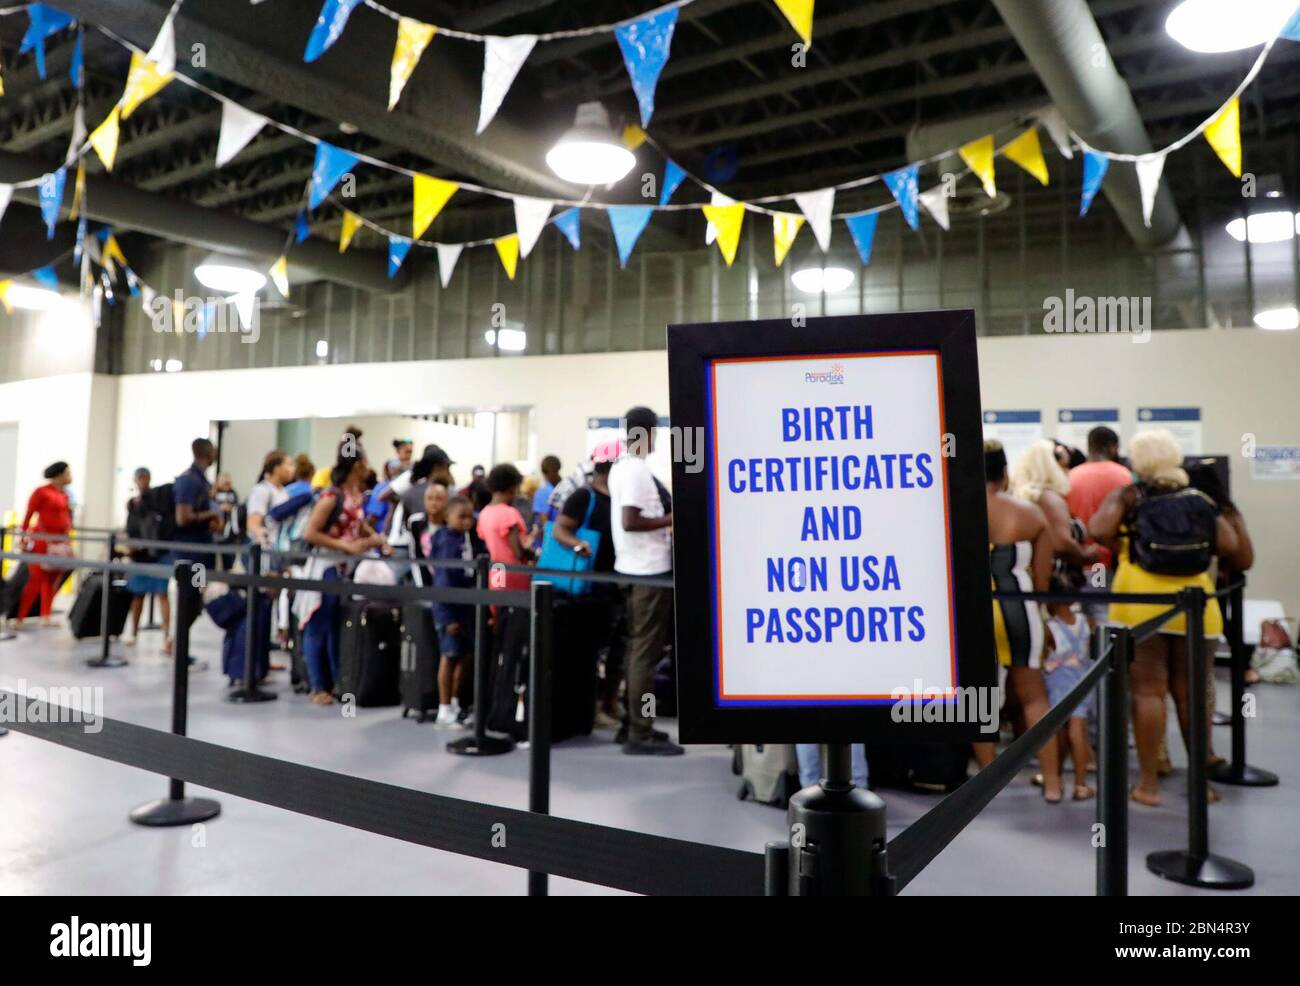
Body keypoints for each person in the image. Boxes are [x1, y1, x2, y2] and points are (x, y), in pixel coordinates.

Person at [1088, 429, 1238, 807]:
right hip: (1197, 605)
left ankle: (1149, 785)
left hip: (1139, 602)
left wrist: (1125, 532)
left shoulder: (1130, 497)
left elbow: (1097, 531)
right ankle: (1200, 785)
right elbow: (1230, 546)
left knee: (1147, 693)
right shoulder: (1200, 500)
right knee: (1192, 696)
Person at [975, 441, 1057, 794]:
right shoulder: (1031, 514)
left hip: (974, 611)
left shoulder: (954, 511)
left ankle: (986, 784)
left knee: (979, 698)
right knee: (1034, 697)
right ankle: (1053, 782)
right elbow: (1042, 581)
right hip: (1019, 607)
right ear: (1005, 473)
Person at [295, 427, 390, 705]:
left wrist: (375, 540)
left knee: (336, 626)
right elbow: (310, 533)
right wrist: (347, 547)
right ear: (356, 465)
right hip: (326, 566)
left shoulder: (354, 494)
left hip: (344, 568)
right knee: (319, 626)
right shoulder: (331, 496)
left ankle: (339, 681)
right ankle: (317, 686)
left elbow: (355, 524)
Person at [608, 406, 681, 756]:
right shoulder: (636, 470)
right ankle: (643, 729)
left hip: (634, 569)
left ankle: (632, 723)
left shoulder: (622, 468)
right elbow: (630, 521)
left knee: (637, 652)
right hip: (648, 573)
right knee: (646, 657)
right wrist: (671, 518)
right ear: (648, 432)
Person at [551, 440, 623, 730]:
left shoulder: (619, 496)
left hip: (615, 580)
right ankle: (592, 708)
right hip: (588, 585)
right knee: (592, 649)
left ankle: (610, 702)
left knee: (616, 645)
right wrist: (579, 545)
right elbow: (560, 529)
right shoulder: (585, 495)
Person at [1068, 426, 1133, 624]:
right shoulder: (1125, 476)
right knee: (1108, 618)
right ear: (1113, 448)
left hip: (1080, 560)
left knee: (1089, 617)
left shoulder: (1071, 477)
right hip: (1111, 561)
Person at [1010, 439, 1100, 580]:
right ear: (1050, 465)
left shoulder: (1018, 497)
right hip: (1056, 580)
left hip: (1029, 576)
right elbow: (1061, 542)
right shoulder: (1048, 499)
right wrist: (1085, 555)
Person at [430, 496, 485, 727]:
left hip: (467, 606)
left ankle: (454, 702)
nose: (466, 521)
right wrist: (446, 616)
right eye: (460, 517)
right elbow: (442, 579)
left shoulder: (469, 539)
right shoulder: (445, 541)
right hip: (449, 607)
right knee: (449, 656)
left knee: (464, 655)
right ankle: (443, 708)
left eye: (469, 517)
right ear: (447, 517)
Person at [1043, 576, 1095, 802]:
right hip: (1083, 680)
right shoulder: (1087, 622)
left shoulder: (1050, 629)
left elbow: (1044, 656)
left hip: (1057, 684)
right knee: (1078, 729)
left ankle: (1057, 776)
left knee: (1062, 730)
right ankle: (1081, 783)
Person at [170, 438, 222, 636]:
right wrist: (211, 514)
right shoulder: (189, 480)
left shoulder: (200, 480)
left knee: (196, 599)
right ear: (208, 454)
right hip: (189, 554)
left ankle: (178, 644)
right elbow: (182, 518)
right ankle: (176, 644)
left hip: (201, 554)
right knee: (189, 599)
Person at [14, 461, 74, 629]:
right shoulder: (41, 492)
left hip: (59, 543)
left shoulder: (64, 494)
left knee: (51, 581)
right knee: (36, 579)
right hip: (42, 542)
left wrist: (67, 537)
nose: (70, 476)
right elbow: (28, 515)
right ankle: (20, 618)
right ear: (59, 475)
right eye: (67, 473)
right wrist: (24, 538)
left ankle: (45, 615)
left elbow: (66, 518)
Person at [123, 467, 172, 651]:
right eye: (139, 478)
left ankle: (167, 636)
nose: (142, 481)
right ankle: (133, 632)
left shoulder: (158, 500)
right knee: (138, 595)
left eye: (145, 477)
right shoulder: (133, 504)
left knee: (162, 594)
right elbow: (131, 529)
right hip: (141, 556)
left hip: (159, 554)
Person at [477, 463, 534, 592]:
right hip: (513, 571)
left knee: (498, 607)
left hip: (496, 569)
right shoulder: (509, 513)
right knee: (514, 609)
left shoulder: (484, 513)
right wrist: (533, 553)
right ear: (512, 487)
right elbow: (518, 552)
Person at [212, 472, 241, 570]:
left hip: (229, 535)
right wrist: (219, 508)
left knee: (229, 563)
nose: (227, 486)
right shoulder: (212, 493)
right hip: (215, 534)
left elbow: (238, 509)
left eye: (229, 483)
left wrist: (231, 508)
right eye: (225, 483)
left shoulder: (233, 494)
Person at [533, 455, 562, 524]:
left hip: (552, 532)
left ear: (543, 472)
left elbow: (543, 522)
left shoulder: (543, 492)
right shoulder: (568, 487)